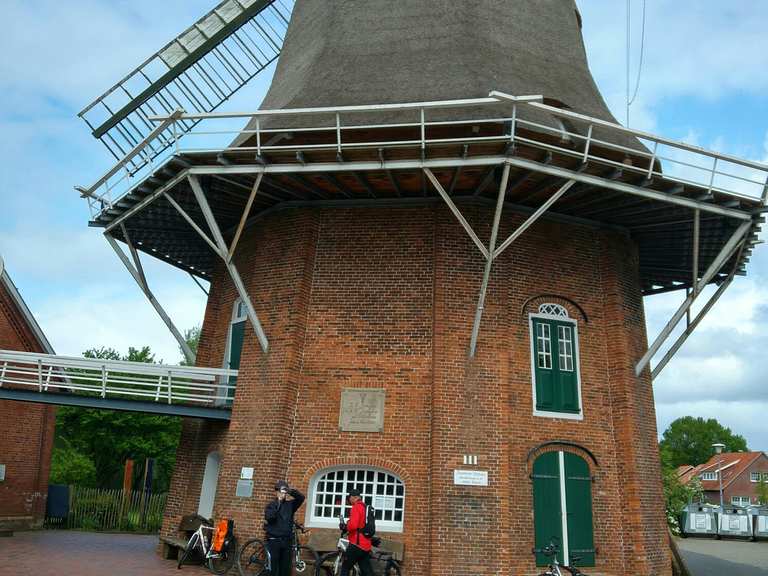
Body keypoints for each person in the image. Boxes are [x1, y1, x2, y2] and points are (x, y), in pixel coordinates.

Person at [264, 480, 305, 576]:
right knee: (273, 569)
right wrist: (278, 503)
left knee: (285, 569)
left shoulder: (290, 505)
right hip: (274, 541)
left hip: (287, 541)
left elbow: (301, 498)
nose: (282, 494)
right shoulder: (271, 505)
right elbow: (270, 518)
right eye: (280, 491)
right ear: (277, 492)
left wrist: (290, 491)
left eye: (284, 492)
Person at [339, 488, 374, 576]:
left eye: (349, 498)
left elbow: (353, 525)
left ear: (353, 497)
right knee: (366, 572)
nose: (349, 500)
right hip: (366, 545)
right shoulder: (365, 507)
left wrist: (345, 526)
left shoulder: (356, 507)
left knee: (345, 567)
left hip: (356, 544)